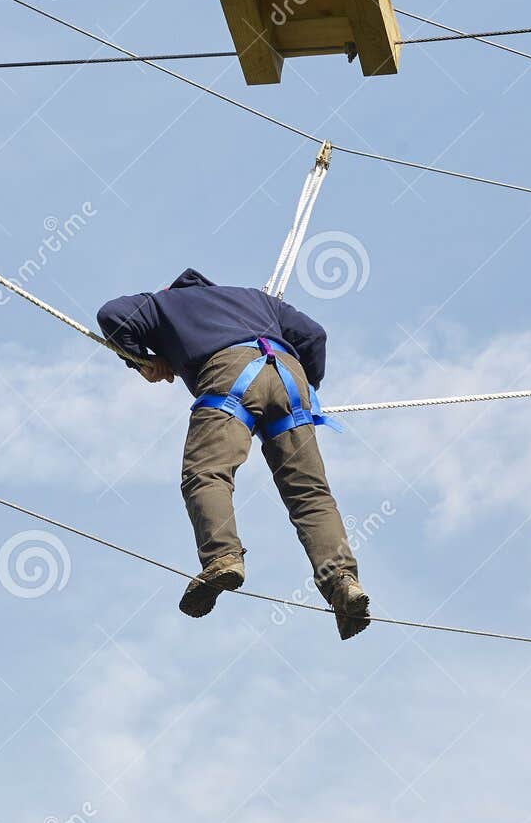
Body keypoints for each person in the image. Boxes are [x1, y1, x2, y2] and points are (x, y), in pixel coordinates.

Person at [97, 269, 370, 640]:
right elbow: (313, 334)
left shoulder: (164, 301)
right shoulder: (255, 298)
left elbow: (112, 314)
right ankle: (343, 582)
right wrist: (308, 385)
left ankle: (223, 558)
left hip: (228, 376)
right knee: (310, 496)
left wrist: (142, 359)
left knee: (207, 473)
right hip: (290, 378)